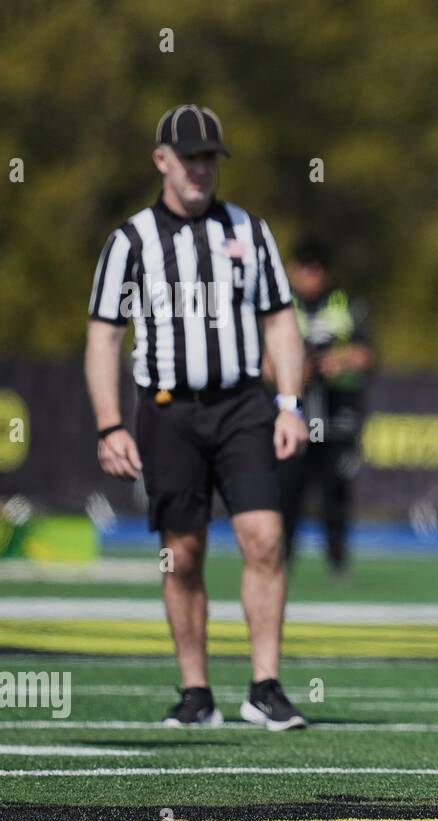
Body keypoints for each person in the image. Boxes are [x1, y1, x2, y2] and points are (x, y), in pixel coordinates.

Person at [85, 104, 309, 731]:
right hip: (167, 410)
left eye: (210, 157)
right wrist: (109, 424)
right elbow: (103, 337)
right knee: (180, 554)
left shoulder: (248, 231)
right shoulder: (130, 242)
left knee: (264, 538)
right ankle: (196, 692)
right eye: (189, 158)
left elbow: (280, 319)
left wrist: (289, 402)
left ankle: (265, 685)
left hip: (242, 403)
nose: (201, 170)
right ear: (162, 160)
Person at [273, 236, 373, 575]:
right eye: (305, 268)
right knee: (287, 494)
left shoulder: (345, 304)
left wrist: (337, 360)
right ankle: (281, 562)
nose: (311, 276)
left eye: (317, 269)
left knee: (336, 494)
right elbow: (261, 360)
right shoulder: (280, 304)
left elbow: (366, 353)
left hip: (336, 416)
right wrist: (294, 368)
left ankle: (338, 562)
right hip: (294, 417)